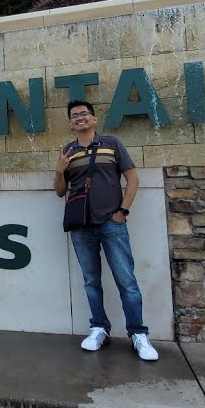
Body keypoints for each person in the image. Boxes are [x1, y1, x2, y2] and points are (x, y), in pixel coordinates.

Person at [53, 99, 156, 361]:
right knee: (91, 282)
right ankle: (99, 328)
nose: (80, 118)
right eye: (75, 115)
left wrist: (123, 211)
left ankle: (138, 334)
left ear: (94, 119)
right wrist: (59, 171)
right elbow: (60, 191)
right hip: (81, 227)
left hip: (112, 223)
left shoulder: (112, 144)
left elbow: (132, 178)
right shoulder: (68, 150)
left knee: (127, 281)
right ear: (70, 122)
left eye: (84, 114)